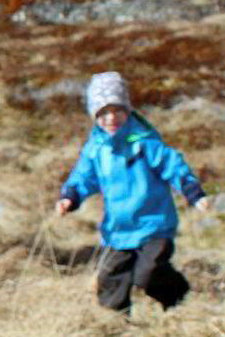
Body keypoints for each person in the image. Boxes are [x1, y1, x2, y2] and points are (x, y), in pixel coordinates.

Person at [56, 70, 208, 314]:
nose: (111, 118)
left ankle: (179, 297)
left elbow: (173, 167)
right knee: (110, 280)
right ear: (94, 116)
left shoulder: (145, 143)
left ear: (127, 109)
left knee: (147, 275)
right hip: (118, 230)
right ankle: (116, 326)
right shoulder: (95, 150)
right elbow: (83, 177)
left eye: (116, 110)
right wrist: (69, 197)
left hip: (154, 226)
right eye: (103, 112)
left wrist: (194, 194)